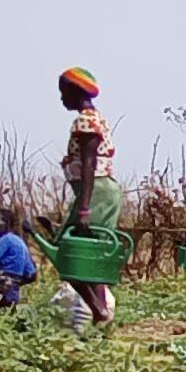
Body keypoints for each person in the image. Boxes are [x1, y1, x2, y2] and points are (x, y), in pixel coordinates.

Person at [55, 66, 121, 328]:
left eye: (63, 93)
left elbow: (89, 164)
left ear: (75, 91)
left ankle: (99, 310)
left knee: (67, 254)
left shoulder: (85, 121)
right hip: (101, 191)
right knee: (91, 254)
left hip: (96, 193)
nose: (61, 99)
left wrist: (83, 209)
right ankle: (101, 312)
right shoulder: (96, 119)